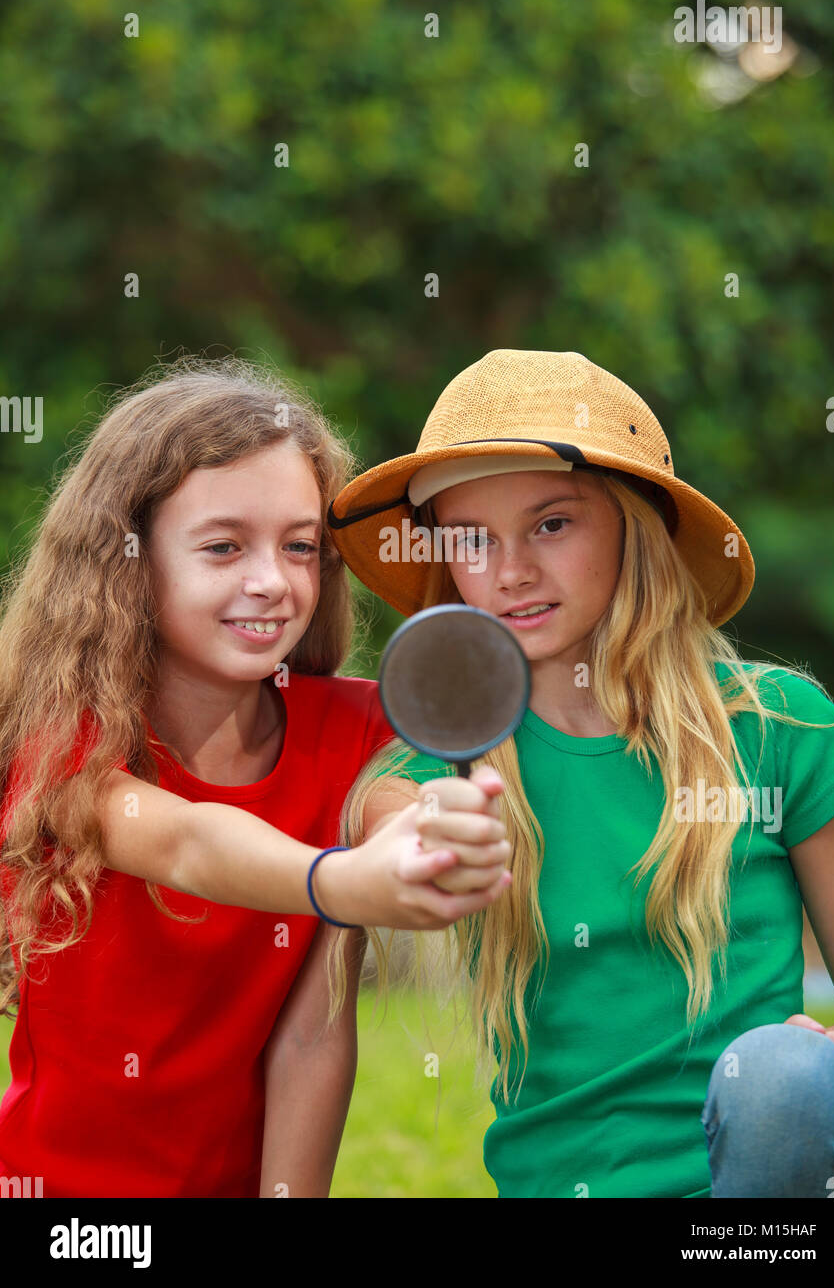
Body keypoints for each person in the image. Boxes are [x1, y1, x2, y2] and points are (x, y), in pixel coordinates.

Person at [325, 346, 834, 1199]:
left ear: (633, 525)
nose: (511, 571)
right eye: (473, 537)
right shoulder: (442, 756)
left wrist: (829, 1061)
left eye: (552, 524)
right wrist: (426, 841)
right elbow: (396, 827)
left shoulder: (779, 729)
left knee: (780, 1077)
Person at [0, 355, 509, 1199]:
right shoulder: (60, 744)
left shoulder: (358, 730)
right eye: (224, 546)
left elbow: (313, 1035)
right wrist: (339, 878)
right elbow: (189, 841)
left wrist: (423, 836)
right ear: (129, 560)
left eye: (301, 546)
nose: (272, 581)